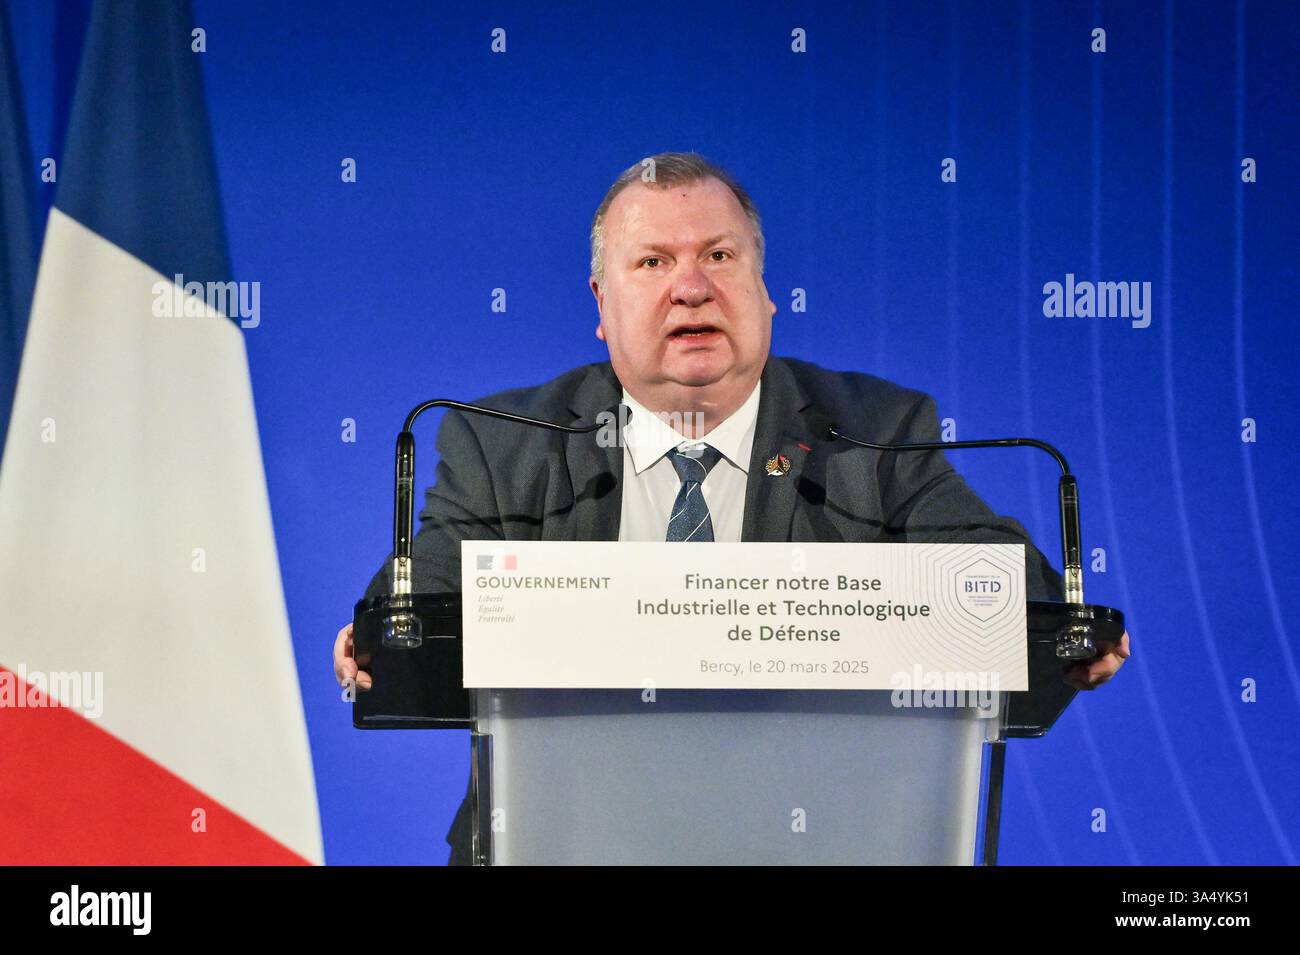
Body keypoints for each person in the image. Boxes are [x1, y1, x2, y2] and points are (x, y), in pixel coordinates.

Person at [333, 151, 1131, 862]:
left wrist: (1062, 629)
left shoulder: (874, 434)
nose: (690, 286)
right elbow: (425, 592)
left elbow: (991, 581)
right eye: (652, 262)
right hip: (560, 838)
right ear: (601, 304)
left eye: (720, 255)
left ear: (764, 291)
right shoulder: (502, 442)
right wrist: (377, 629)